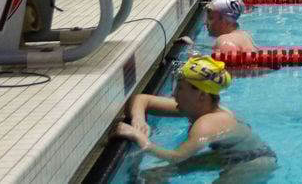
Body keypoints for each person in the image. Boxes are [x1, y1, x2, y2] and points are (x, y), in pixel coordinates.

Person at [116, 56, 276, 180]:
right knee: (156, 173)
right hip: (234, 156)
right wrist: (139, 119)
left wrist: (141, 139)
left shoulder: (206, 123)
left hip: (252, 164)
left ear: (201, 95)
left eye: (180, 88)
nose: (174, 94)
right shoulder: (198, 108)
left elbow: (176, 157)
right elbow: (142, 99)